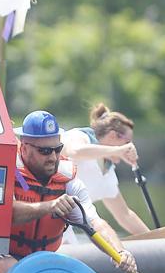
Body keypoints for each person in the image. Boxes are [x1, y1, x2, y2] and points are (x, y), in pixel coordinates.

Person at [0, 110, 138, 273]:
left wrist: (119, 252)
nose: (52, 157)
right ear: (25, 148)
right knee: (9, 267)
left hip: (39, 263)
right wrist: (50, 206)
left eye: (57, 149)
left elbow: (95, 223)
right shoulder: (4, 169)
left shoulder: (69, 182)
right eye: (44, 151)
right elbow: (8, 213)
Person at [61, 103, 150, 243]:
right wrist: (118, 151)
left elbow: (125, 215)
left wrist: (158, 241)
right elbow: (75, 151)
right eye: (127, 142)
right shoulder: (80, 136)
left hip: (65, 224)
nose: (129, 148)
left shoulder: (106, 171)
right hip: (46, 212)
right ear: (113, 136)